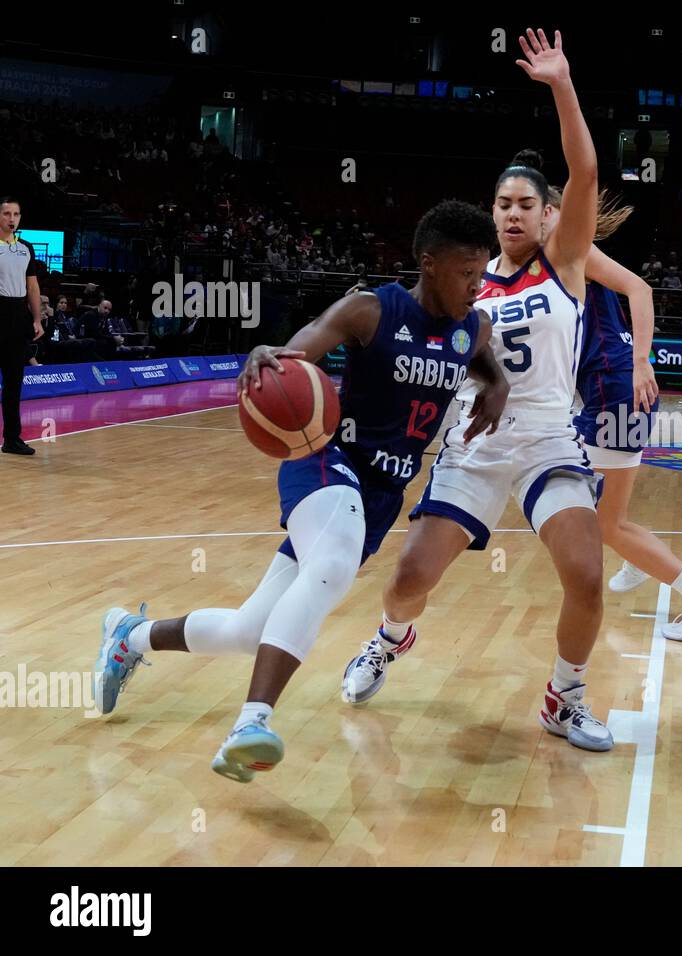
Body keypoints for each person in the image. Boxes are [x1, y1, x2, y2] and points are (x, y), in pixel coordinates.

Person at [92, 200, 506, 782]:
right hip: (325, 460)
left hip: (381, 497)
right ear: (430, 263)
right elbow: (299, 350)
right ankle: (251, 724)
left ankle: (130, 637)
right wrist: (271, 355)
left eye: (482, 271)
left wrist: (498, 386)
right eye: (467, 272)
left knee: (249, 630)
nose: (477, 284)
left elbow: (481, 358)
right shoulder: (371, 309)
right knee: (333, 567)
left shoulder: (473, 326)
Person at [338, 29, 618, 753]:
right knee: (407, 577)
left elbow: (584, 172)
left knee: (585, 575)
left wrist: (560, 83)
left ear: (551, 215)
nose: (512, 212)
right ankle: (390, 638)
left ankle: (566, 696)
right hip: (475, 441)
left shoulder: (564, 264)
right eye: (502, 202)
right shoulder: (466, 283)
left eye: (527, 201)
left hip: (550, 438)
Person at [549, 187, 682, 642]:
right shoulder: (549, 260)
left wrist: (641, 361)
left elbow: (641, 287)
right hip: (611, 391)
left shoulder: (573, 248)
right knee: (604, 516)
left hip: (616, 388)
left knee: (600, 522)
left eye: (538, 206)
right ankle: (640, 559)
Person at [0, 197, 42, 456]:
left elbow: (33, 286)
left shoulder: (26, 248)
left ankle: (12, 439)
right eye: (6, 213)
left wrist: (36, 319)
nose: (11, 219)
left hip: (17, 316)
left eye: (15, 214)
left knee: (14, 381)